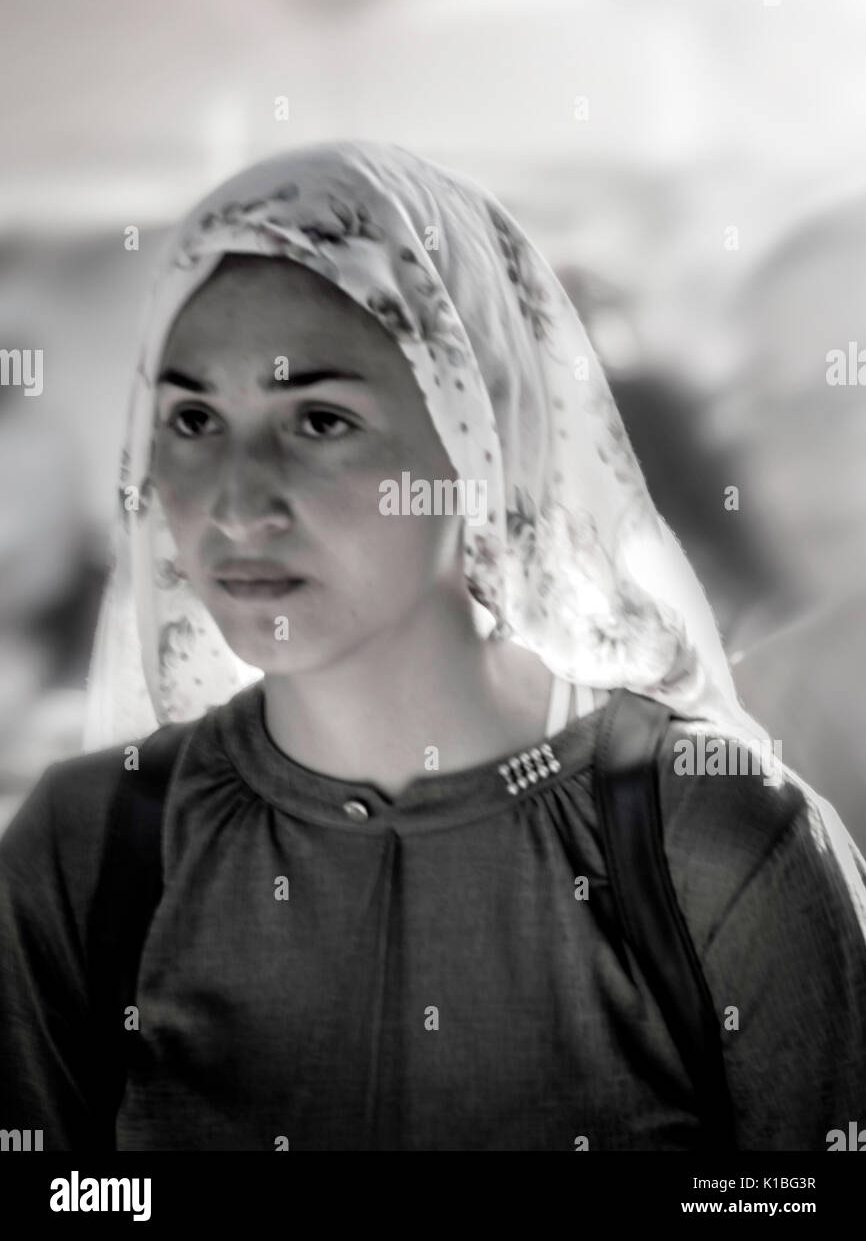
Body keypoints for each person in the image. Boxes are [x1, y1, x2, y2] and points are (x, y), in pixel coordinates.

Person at [1, 140, 864, 1152]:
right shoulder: (92, 850)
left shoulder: (708, 844)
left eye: (317, 420)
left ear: (478, 435)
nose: (235, 503)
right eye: (192, 418)